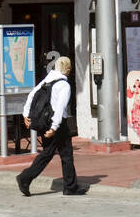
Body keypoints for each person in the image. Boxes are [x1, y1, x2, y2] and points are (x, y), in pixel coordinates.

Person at [16, 57, 87, 196]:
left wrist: (26, 113)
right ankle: (26, 178)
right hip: (58, 124)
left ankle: (69, 186)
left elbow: (32, 95)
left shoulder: (48, 80)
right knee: (64, 155)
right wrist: (54, 128)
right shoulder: (64, 85)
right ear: (68, 68)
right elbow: (60, 108)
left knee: (51, 153)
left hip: (46, 122)